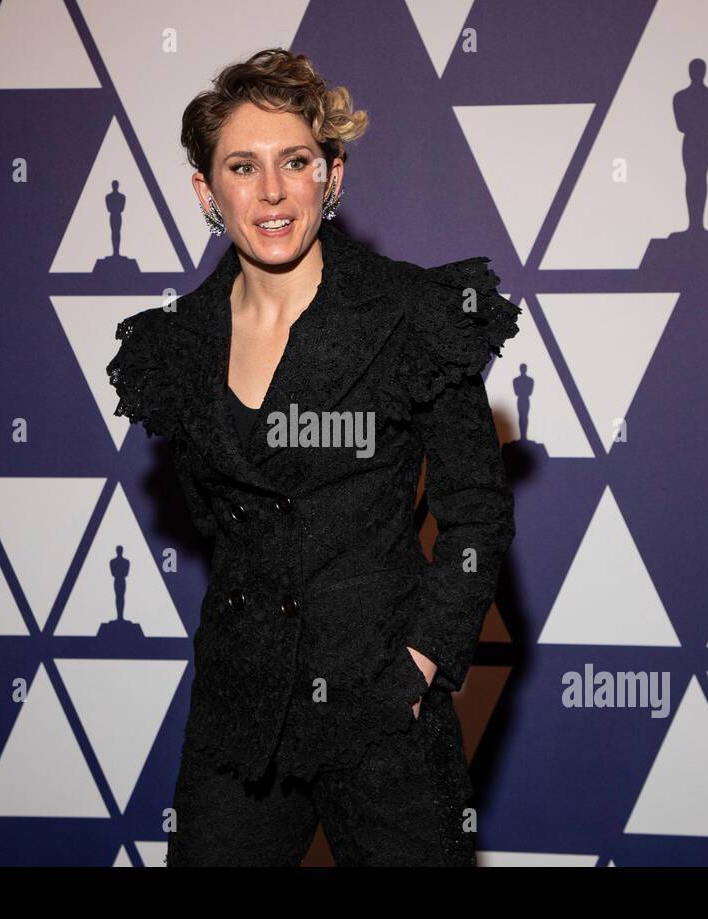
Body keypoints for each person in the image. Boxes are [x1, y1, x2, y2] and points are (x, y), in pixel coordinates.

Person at [107, 48, 519, 866]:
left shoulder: (413, 315)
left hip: (383, 711)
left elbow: (477, 512)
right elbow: (215, 519)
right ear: (206, 191)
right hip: (240, 719)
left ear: (331, 176)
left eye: (295, 162)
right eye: (242, 166)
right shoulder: (176, 347)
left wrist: (422, 662)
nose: (270, 192)